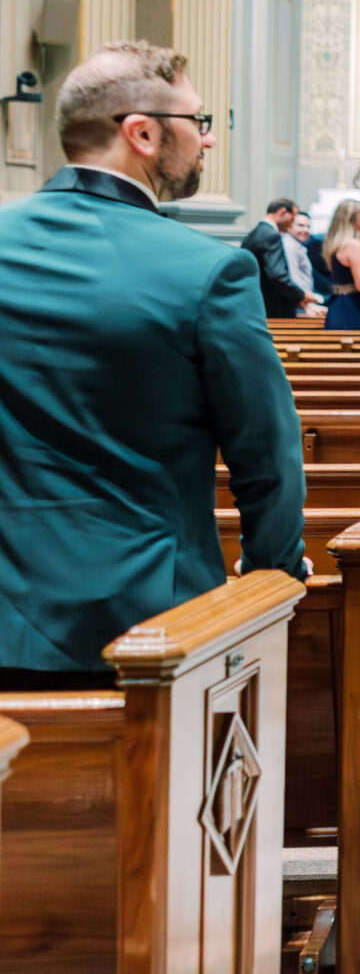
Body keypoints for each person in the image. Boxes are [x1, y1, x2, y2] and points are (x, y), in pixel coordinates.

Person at [0, 40, 305, 685]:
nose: (208, 141)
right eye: (198, 122)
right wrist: (272, 574)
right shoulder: (209, 269)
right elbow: (265, 449)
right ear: (141, 132)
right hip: (149, 624)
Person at [242, 197, 312, 319]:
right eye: (292, 218)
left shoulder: (255, 233)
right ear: (282, 212)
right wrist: (301, 295)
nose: (291, 222)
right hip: (271, 306)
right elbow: (277, 275)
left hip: (255, 301)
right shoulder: (271, 235)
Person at [322, 199, 360, 330]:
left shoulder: (337, 244)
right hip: (353, 308)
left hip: (339, 305)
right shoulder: (353, 245)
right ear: (352, 218)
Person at [293, 210, 331, 302]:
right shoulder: (286, 246)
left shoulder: (313, 245)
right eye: (301, 225)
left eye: (308, 226)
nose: (305, 230)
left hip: (317, 297)